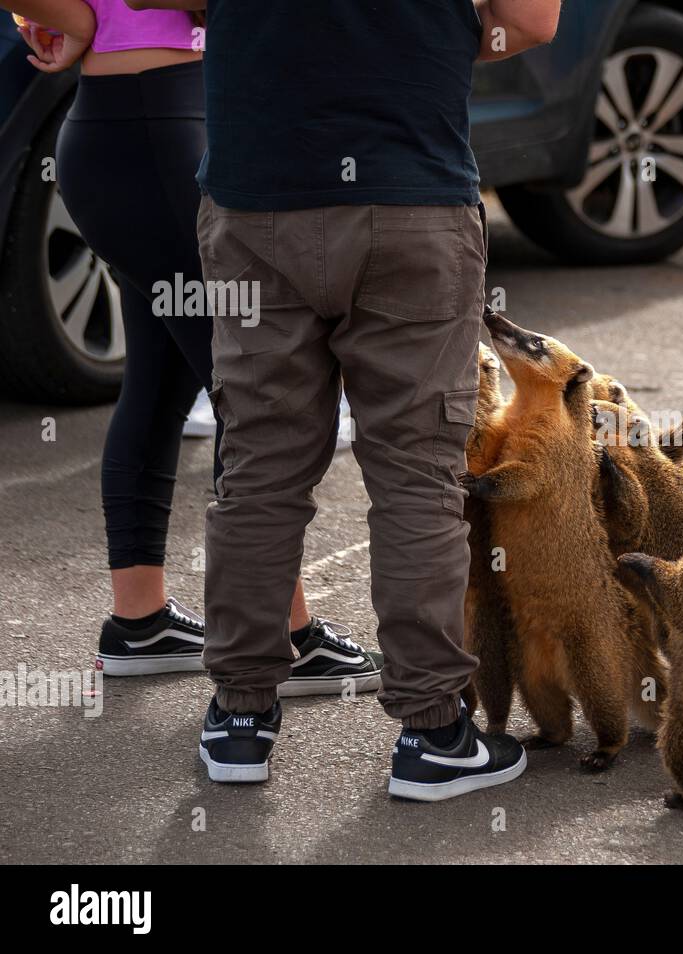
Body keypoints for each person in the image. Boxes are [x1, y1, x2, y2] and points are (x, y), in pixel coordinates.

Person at [128, 0, 563, 798]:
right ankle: (432, 732)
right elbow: (531, 22)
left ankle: (239, 718)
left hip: (257, 192)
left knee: (258, 469)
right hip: (413, 195)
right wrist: (415, 48)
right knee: (416, 477)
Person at [6, 0, 383, 695]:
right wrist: (76, 19)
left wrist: (80, 19)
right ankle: (283, 634)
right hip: (156, 128)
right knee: (249, 387)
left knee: (162, 374)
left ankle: (140, 619)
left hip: (128, 124)